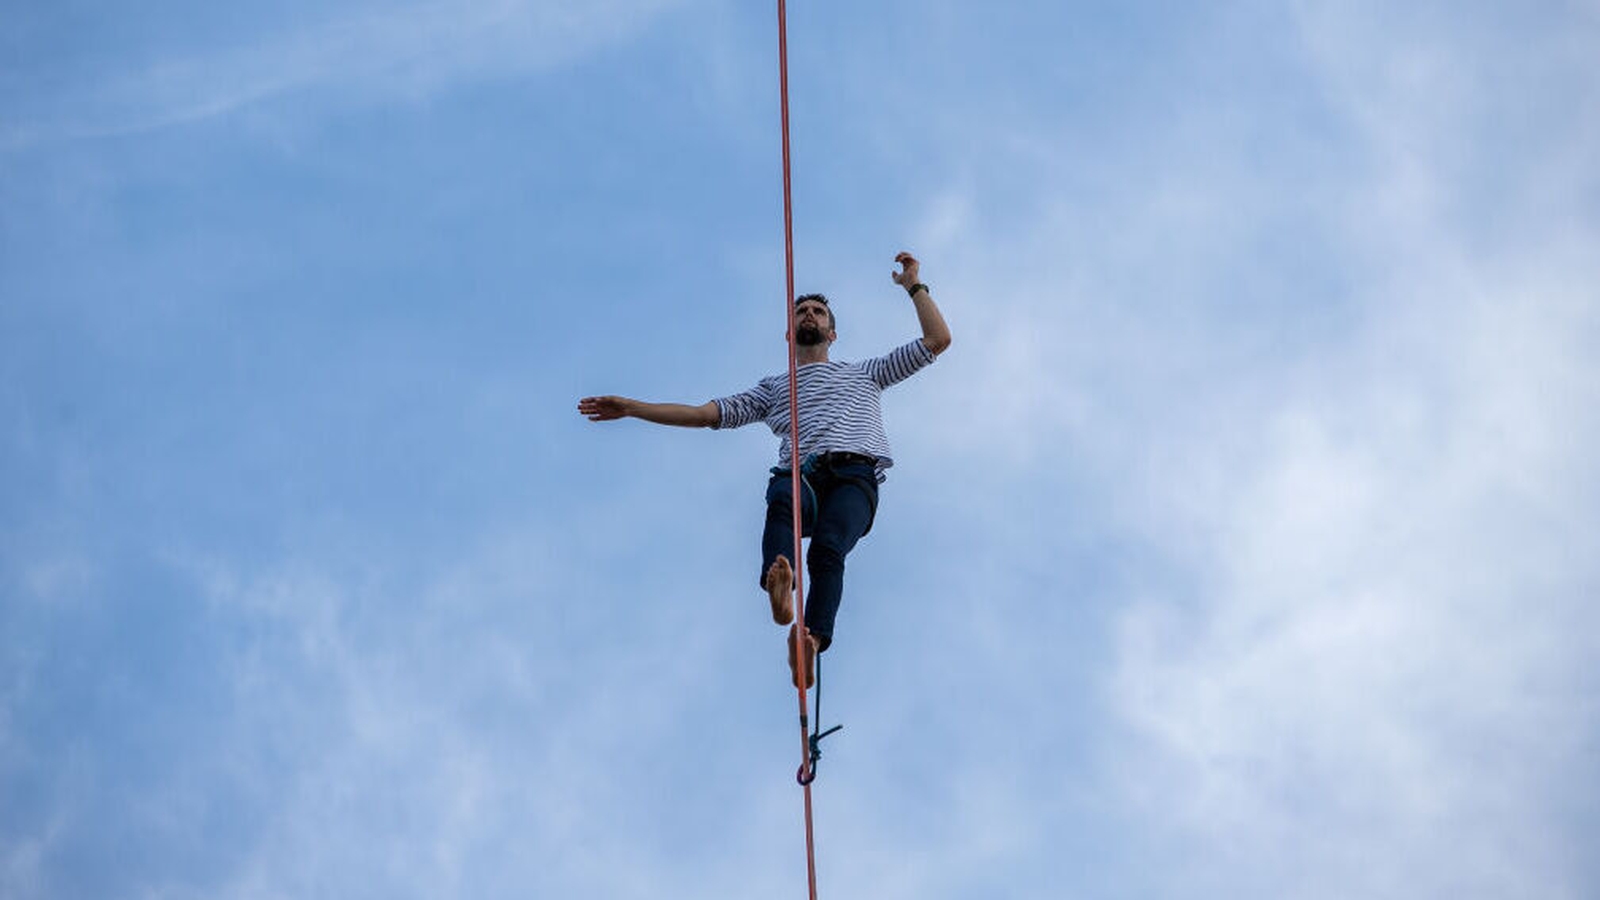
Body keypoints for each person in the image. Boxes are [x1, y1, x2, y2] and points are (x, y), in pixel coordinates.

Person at [578, 251, 951, 687]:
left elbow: (937, 340)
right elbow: (703, 415)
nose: (809, 314)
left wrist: (913, 286)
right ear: (789, 332)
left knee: (829, 550)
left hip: (855, 476)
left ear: (832, 332)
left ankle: (810, 641)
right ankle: (781, 582)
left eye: (818, 311)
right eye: (801, 312)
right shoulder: (773, 389)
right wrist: (631, 408)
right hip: (803, 475)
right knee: (782, 496)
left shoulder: (866, 373)